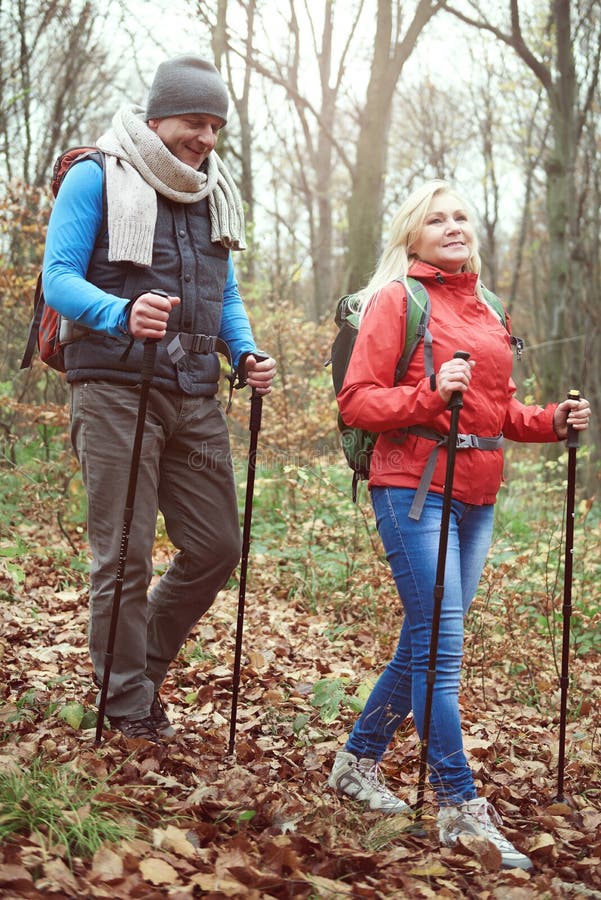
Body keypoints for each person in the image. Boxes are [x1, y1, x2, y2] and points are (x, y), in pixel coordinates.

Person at [328, 179, 591, 870]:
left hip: (477, 495)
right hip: (411, 489)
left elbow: (496, 413)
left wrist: (550, 421)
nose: (452, 226)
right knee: (441, 650)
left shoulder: (488, 306)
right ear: (412, 236)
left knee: (424, 639)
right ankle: (458, 805)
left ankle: (356, 761)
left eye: (461, 217)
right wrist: (427, 393)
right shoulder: (397, 300)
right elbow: (356, 401)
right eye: (436, 219)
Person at [42, 56, 276, 743]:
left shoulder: (211, 192)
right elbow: (58, 277)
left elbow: (222, 293)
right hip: (113, 389)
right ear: (156, 118)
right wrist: (120, 312)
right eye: (193, 121)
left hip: (195, 391)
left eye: (215, 126)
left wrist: (244, 352)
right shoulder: (97, 174)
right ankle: (125, 705)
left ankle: (136, 667)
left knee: (217, 546)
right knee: (124, 553)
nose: (205, 137)